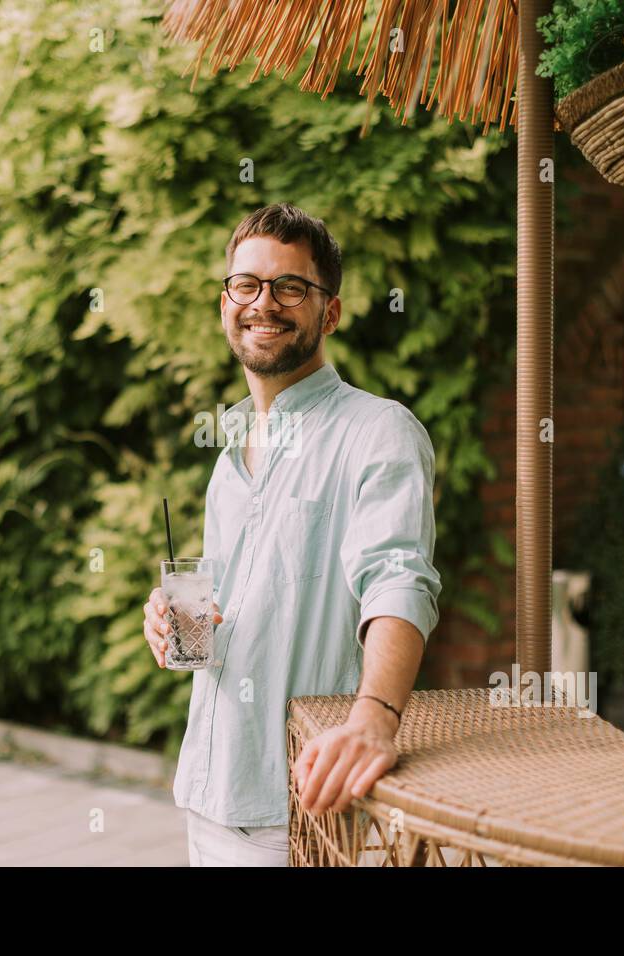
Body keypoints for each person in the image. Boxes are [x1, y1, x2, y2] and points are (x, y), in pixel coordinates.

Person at [141, 202, 442, 866]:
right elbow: (227, 614)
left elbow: (399, 580)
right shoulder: (230, 455)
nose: (263, 303)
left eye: (290, 287)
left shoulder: (379, 432)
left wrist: (375, 720)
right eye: (245, 284)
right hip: (206, 796)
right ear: (225, 304)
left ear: (328, 313)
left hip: (304, 811)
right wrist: (168, 622)